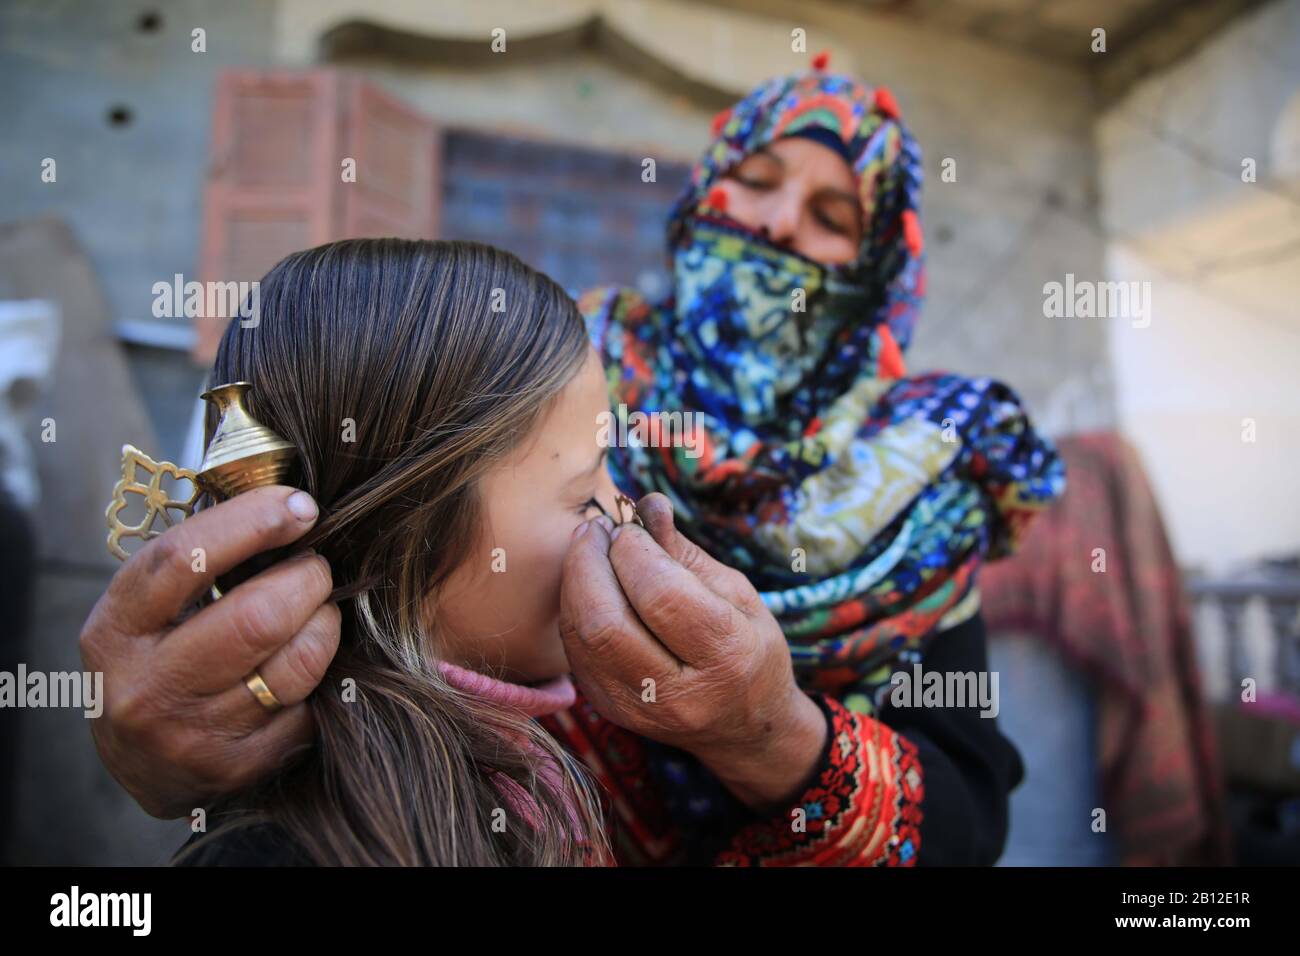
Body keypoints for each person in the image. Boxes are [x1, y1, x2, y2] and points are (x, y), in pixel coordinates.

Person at [79, 65, 1065, 866]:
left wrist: (768, 733)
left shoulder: (922, 482)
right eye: (755, 179)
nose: (774, 223)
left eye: (831, 214)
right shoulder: (551, 362)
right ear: (701, 194)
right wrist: (204, 742)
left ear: (875, 275)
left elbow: (967, 818)